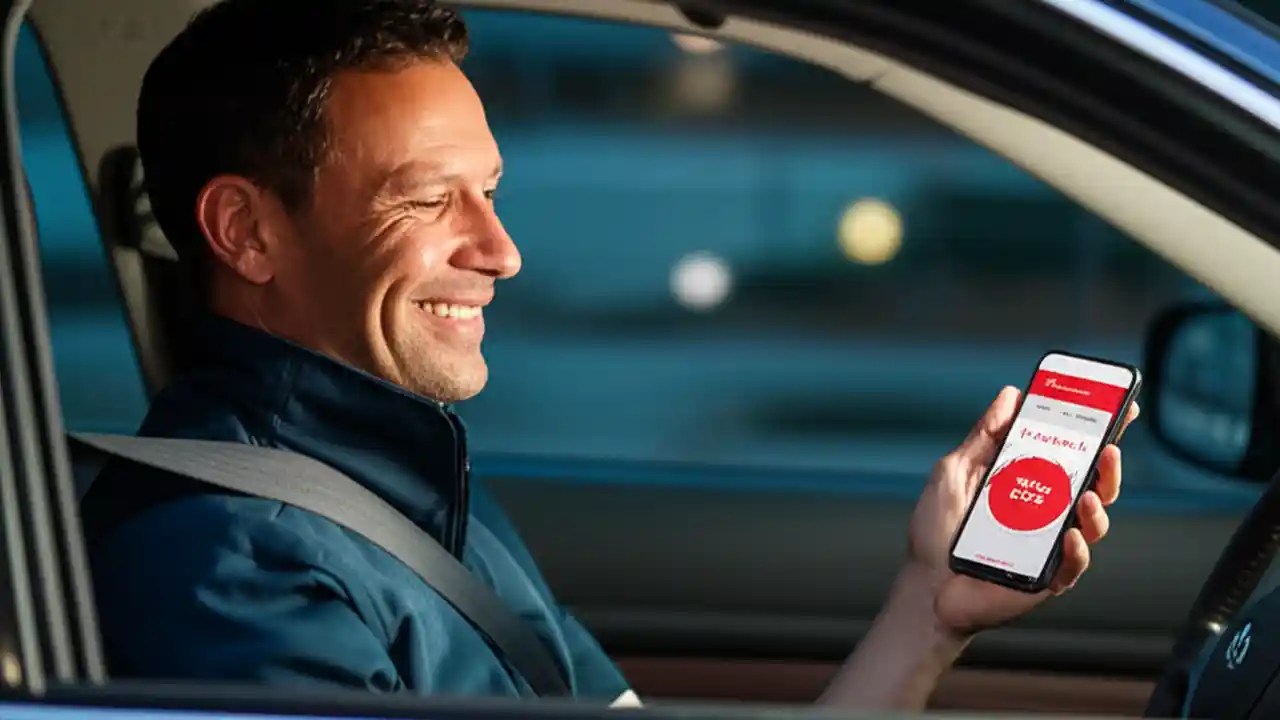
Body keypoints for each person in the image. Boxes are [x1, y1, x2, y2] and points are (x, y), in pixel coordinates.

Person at [81, 0, 1135, 710]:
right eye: (425, 200)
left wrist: (929, 609)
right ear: (245, 233)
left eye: (487, 191)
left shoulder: (415, 492)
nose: (499, 251)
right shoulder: (225, 574)